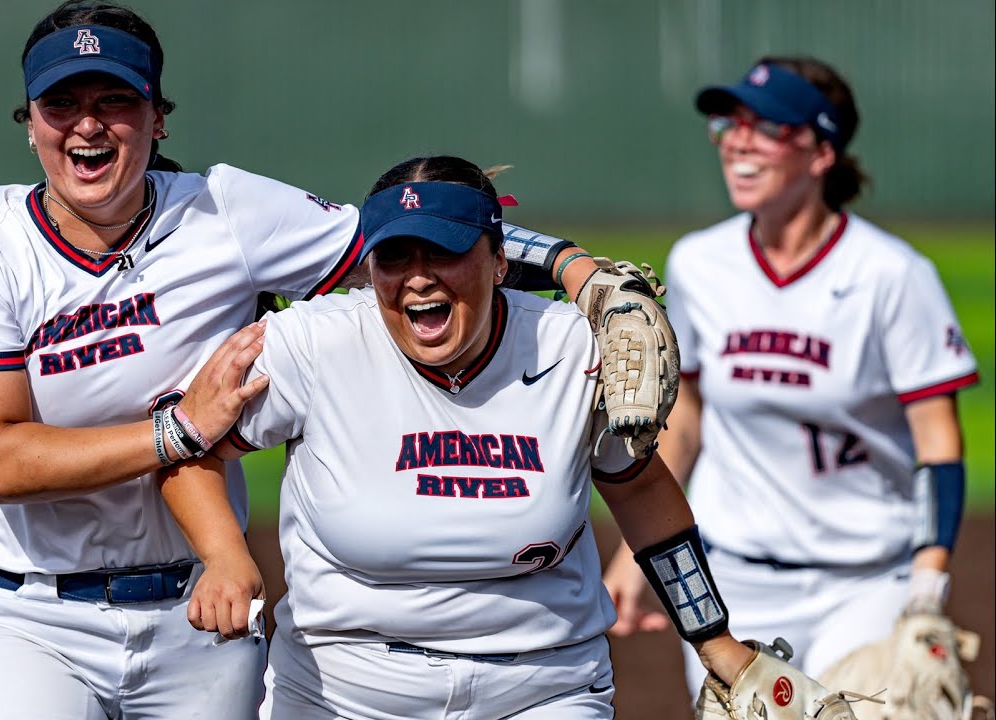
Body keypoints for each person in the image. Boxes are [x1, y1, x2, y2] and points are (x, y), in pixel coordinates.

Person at [0, 3, 613, 717]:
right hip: (24, 611)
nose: (88, 124)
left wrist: (574, 267)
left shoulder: (228, 213)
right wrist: (177, 433)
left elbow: (413, 228)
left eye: (116, 100)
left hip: (198, 608)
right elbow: (0, 462)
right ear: (29, 123)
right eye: (60, 103)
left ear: (159, 119)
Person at [183, 153, 839, 719]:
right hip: (346, 687)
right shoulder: (314, 343)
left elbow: (640, 489)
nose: (418, 275)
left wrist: (714, 640)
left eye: (443, 250)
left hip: (543, 684)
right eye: (396, 254)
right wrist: (223, 554)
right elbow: (190, 449)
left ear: (500, 261)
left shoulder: (572, 349)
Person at [602, 55, 981, 707]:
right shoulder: (701, 263)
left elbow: (938, 443)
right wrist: (638, 553)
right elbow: (685, 418)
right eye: (731, 124)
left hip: (865, 583)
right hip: (736, 580)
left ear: (821, 152)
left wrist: (927, 586)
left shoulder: (889, 274)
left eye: (768, 126)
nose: (740, 141)